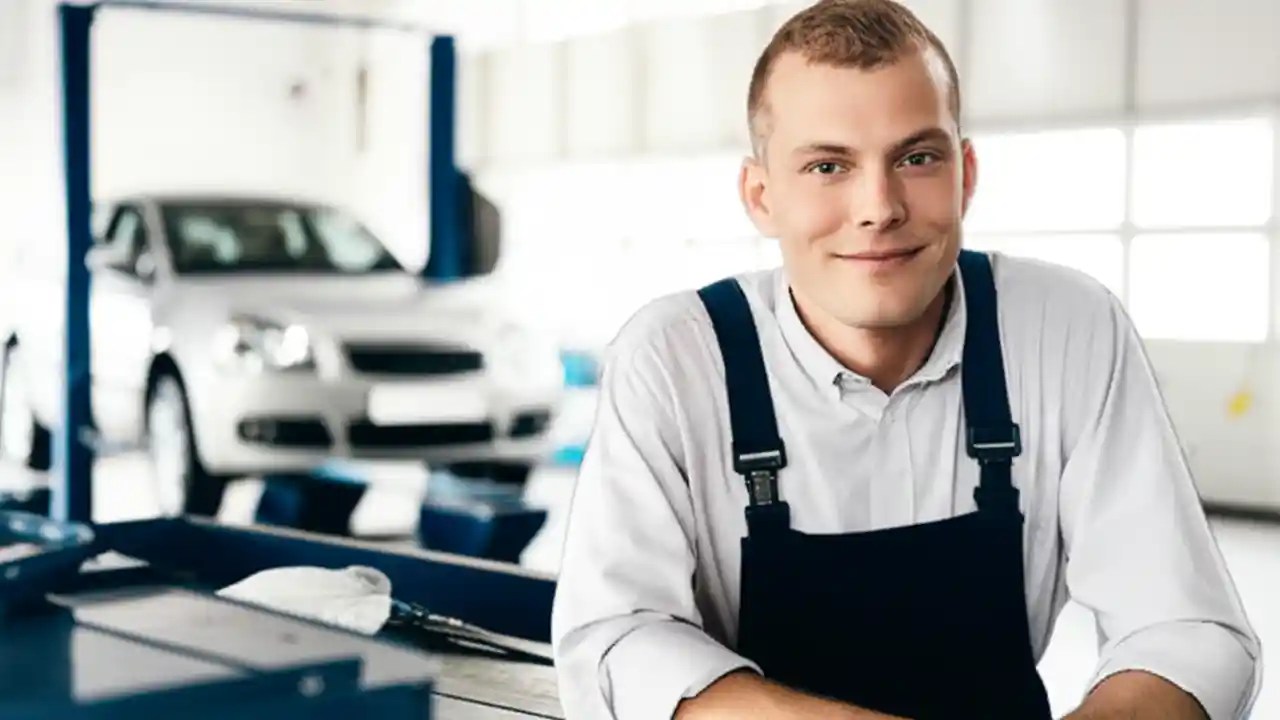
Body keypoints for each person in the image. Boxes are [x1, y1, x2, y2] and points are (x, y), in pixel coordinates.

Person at [550, 1, 1262, 718]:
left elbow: (1185, 629)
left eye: (916, 158)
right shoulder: (674, 359)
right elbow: (617, 643)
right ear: (761, 197)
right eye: (828, 165)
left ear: (966, 174)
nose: (878, 207)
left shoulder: (1067, 328)